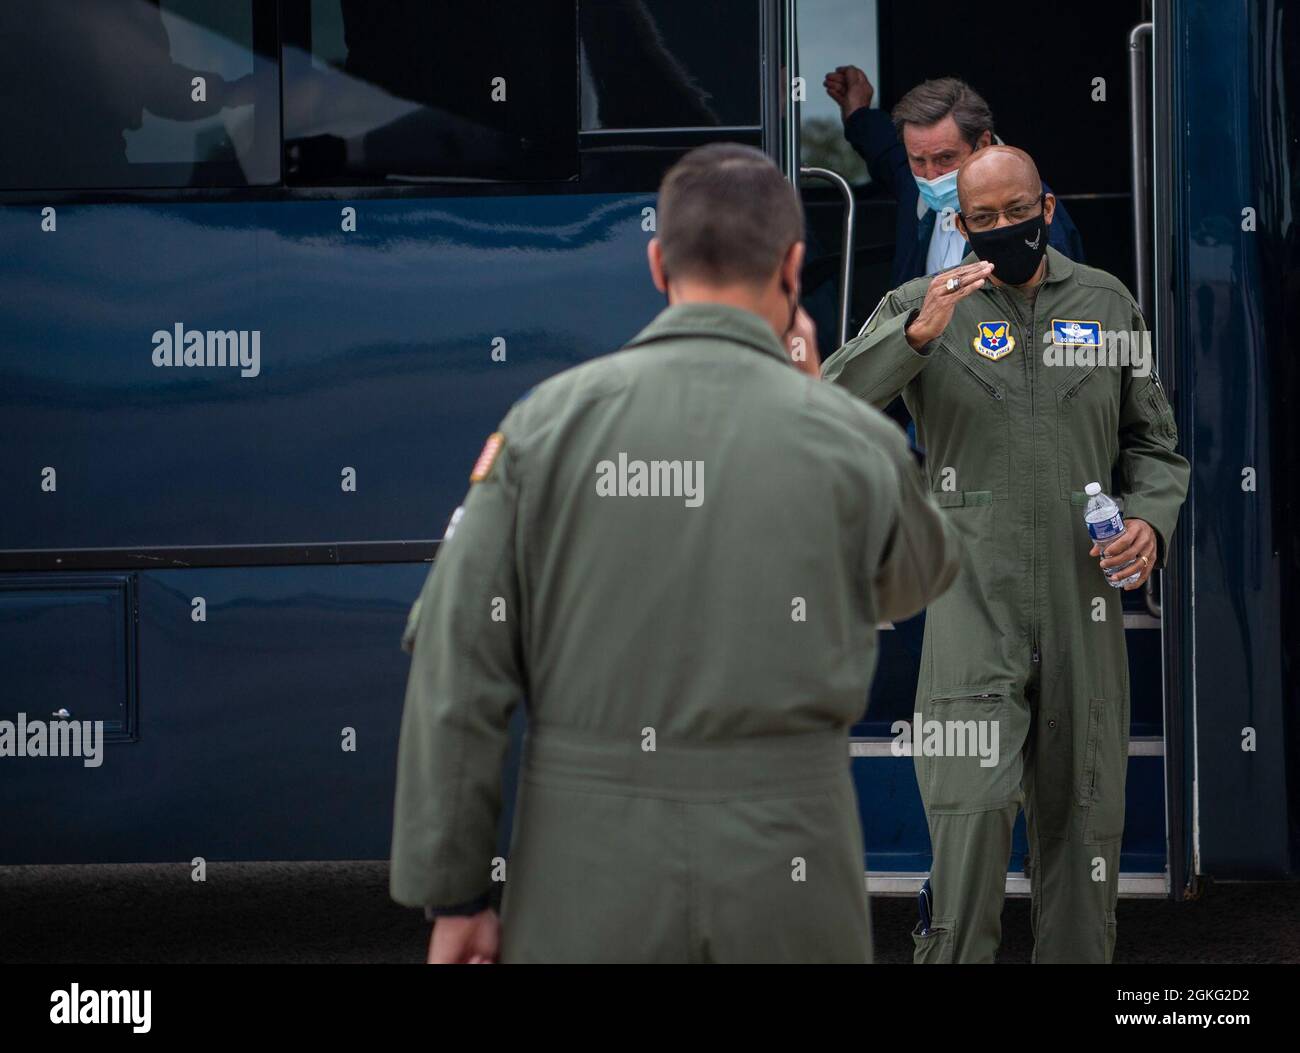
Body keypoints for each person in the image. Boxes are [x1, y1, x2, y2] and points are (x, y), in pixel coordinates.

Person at [390, 142, 960, 964]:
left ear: (659, 264)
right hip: (787, 858)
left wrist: (456, 895)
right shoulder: (848, 438)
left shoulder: (545, 426)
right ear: (795, 266)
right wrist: (810, 390)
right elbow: (914, 579)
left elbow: (457, 658)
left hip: (588, 870)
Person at [820, 145, 1189, 964]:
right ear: (959, 224)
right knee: (970, 818)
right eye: (980, 220)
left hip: (1082, 602)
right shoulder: (924, 305)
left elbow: (1154, 447)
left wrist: (1151, 523)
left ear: (1046, 207)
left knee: (1082, 820)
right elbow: (826, 405)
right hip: (971, 605)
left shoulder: (1106, 303)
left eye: (1014, 213)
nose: (1001, 230)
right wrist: (914, 337)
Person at [823, 70, 1085, 286]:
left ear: (982, 143)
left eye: (945, 158)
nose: (930, 175)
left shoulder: (1030, 214)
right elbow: (883, 150)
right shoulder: (910, 183)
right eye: (918, 160)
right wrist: (857, 112)